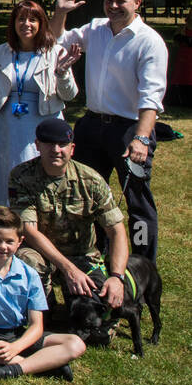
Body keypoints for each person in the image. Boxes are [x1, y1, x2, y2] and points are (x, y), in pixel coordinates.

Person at [49, 0, 168, 259]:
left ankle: (141, 266)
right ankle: (97, 256)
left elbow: (151, 97)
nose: (113, 6)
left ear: (137, 3)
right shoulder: (96, 30)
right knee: (89, 196)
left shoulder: (149, 42)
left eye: (120, 1)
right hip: (91, 127)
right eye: (108, 1)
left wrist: (141, 138)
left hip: (129, 130)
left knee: (137, 201)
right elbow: (56, 40)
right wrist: (61, 13)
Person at [8, 119, 130, 312]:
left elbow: (116, 231)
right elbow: (29, 231)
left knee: (100, 333)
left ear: (72, 148)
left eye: (62, 144)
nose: (56, 149)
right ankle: (44, 309)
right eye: (49, 143)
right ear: (38, 145)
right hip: (41, 253)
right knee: (27, 262)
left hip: (82, 255)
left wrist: (117, 277)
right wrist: (68, 269)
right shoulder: (22, 176)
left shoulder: (92, 180)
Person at [0, 207, 86, 382]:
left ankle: (10, 368)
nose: (3, 246)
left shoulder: (29, 274)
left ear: (20, 242)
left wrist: (15, 347)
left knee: (75, 343)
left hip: (18, 335)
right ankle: (44, 366)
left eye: (9, 241)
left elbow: (36, 326)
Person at [0, 0, 81, 206]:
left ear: (41, 23)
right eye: (21, 19)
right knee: (9, 176)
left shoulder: (55, 52)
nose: (26, 24)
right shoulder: (0, 52)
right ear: (13, 23)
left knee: (39, 174)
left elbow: (70, 95)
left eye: (32, 19)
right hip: (7, 124)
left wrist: (62, 74)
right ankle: (11, 225)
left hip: (41, 122)